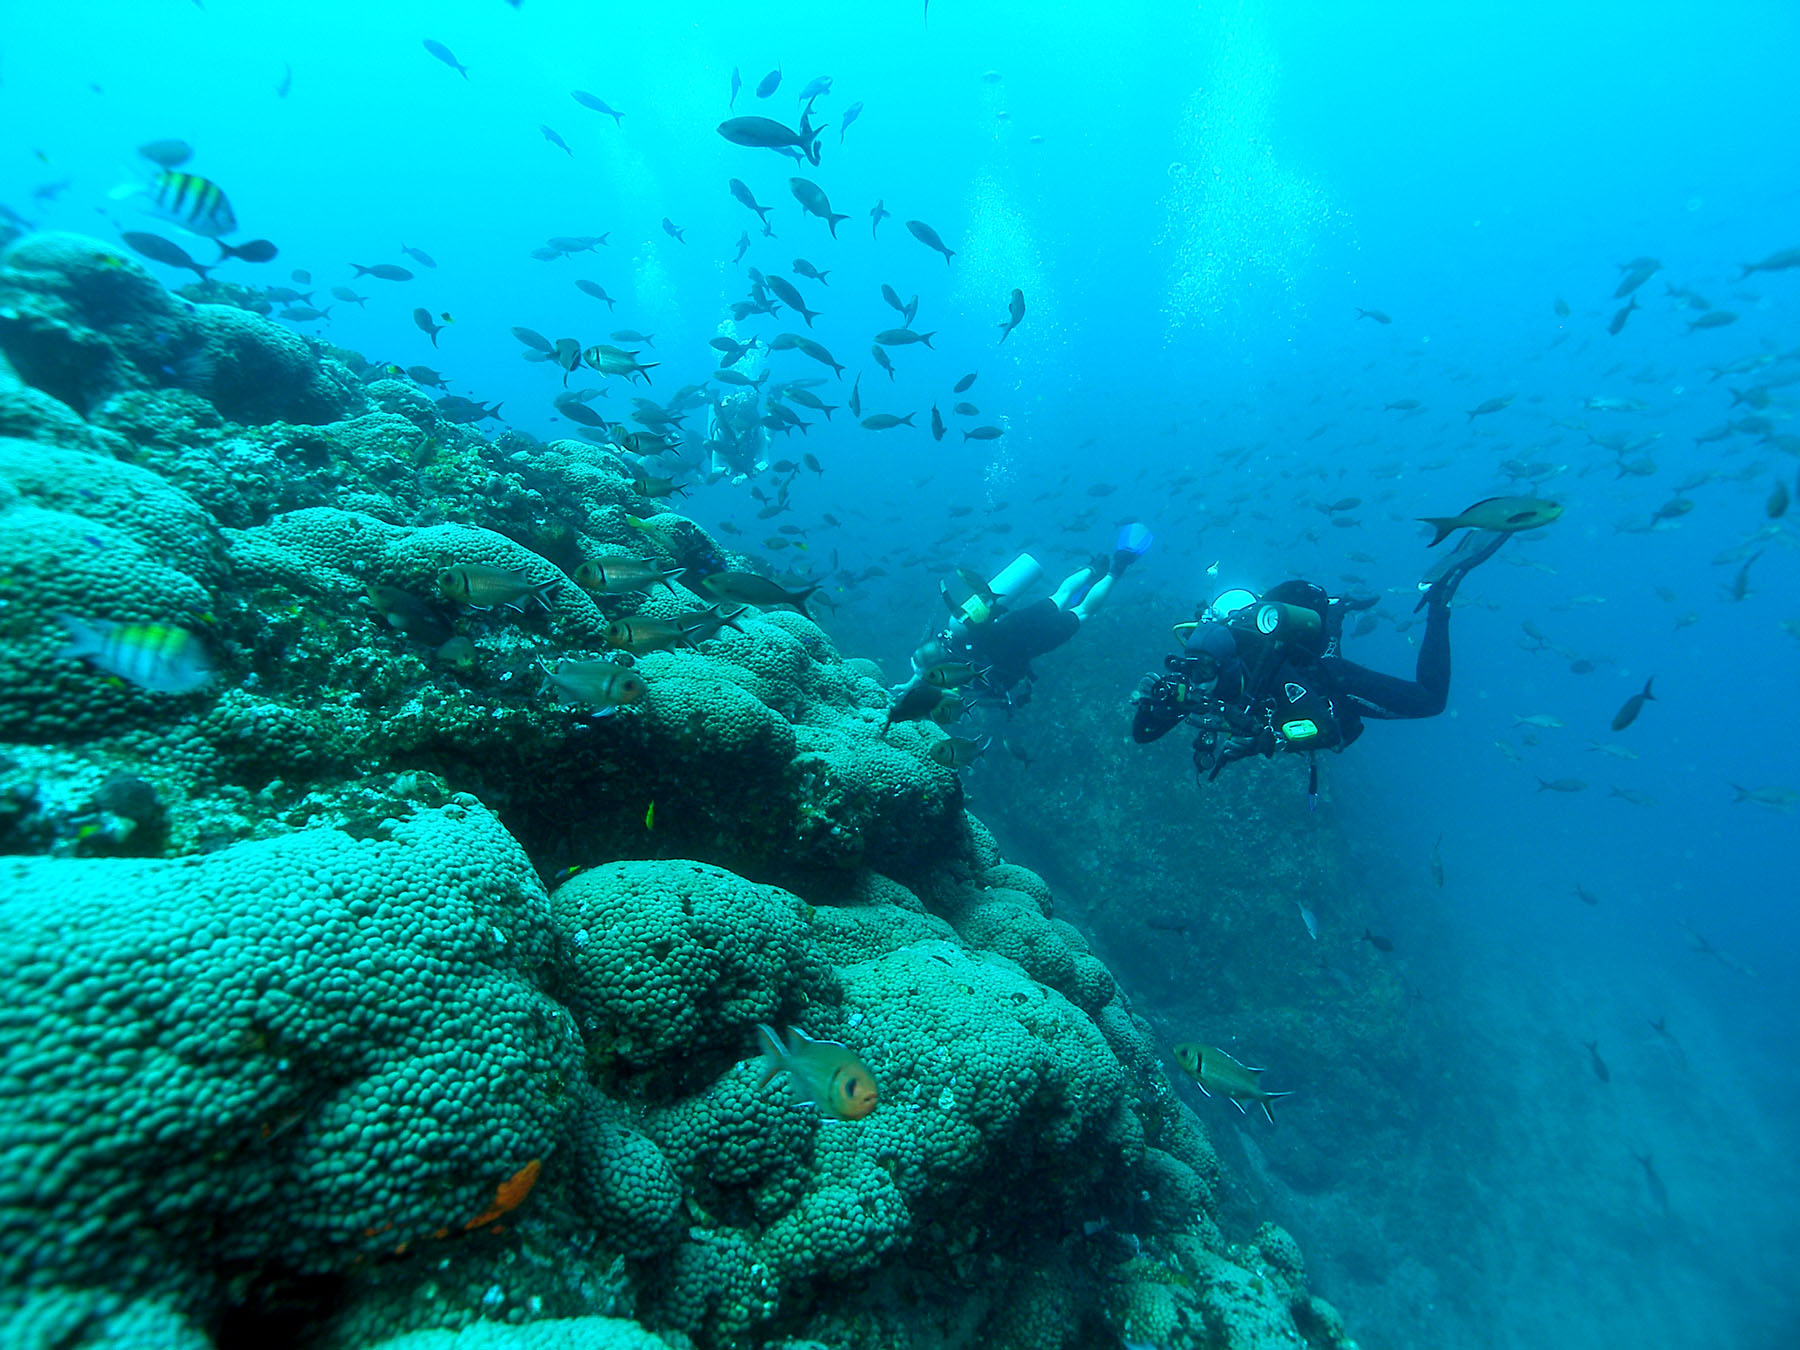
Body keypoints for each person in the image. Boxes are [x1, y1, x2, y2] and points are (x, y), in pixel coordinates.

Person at [1130, 529, 1507, 799]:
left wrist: (1266, 740)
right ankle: (1335, 610)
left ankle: (1439, 598)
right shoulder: (1198, 677)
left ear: (1227, 663)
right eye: (1192, 671)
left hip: (1328, 683)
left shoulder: (1271, 672)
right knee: (1327, 651)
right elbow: (1143, 734)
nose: (1198, 682)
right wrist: (1152, 704)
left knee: (1429, 700)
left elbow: (1326, 730)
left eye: (1205, 671)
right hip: (1303, 671)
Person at [913, 523, 1154, 710]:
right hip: (1015, 621)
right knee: (1060, 595)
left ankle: (1117, 567)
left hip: (1033, 640)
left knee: (1082, 611)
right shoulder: (953, 636)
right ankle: (1093, 569)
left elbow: (994, 688)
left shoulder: (962, 672)